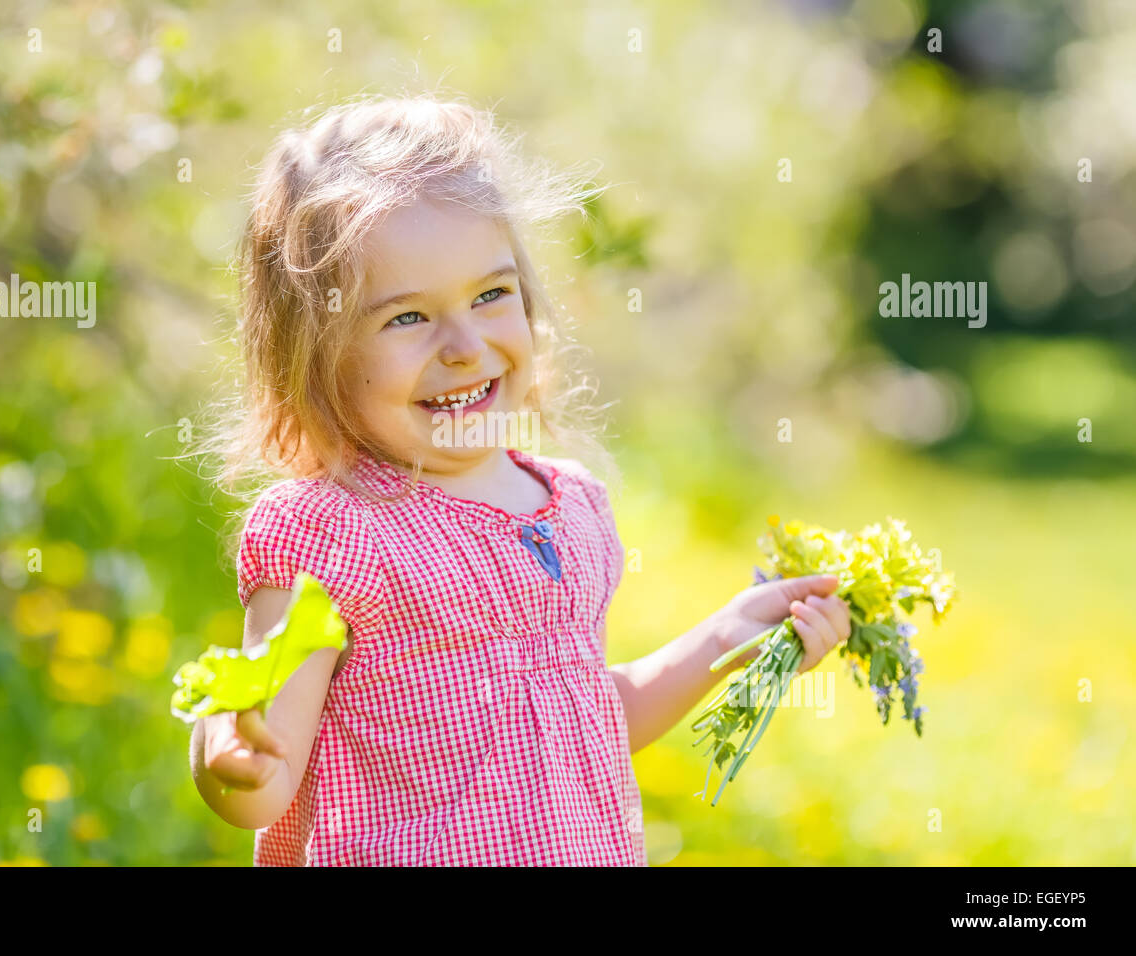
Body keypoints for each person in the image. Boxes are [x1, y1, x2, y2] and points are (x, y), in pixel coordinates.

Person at [188, 93, 850, 865]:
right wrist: (231, 754)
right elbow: (262, 780)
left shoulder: (571, 509)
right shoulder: (330, 531)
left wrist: (728, 638)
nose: (466, 346)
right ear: (315, 351)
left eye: (491, 295)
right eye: (407, 318)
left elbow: (580, 723)